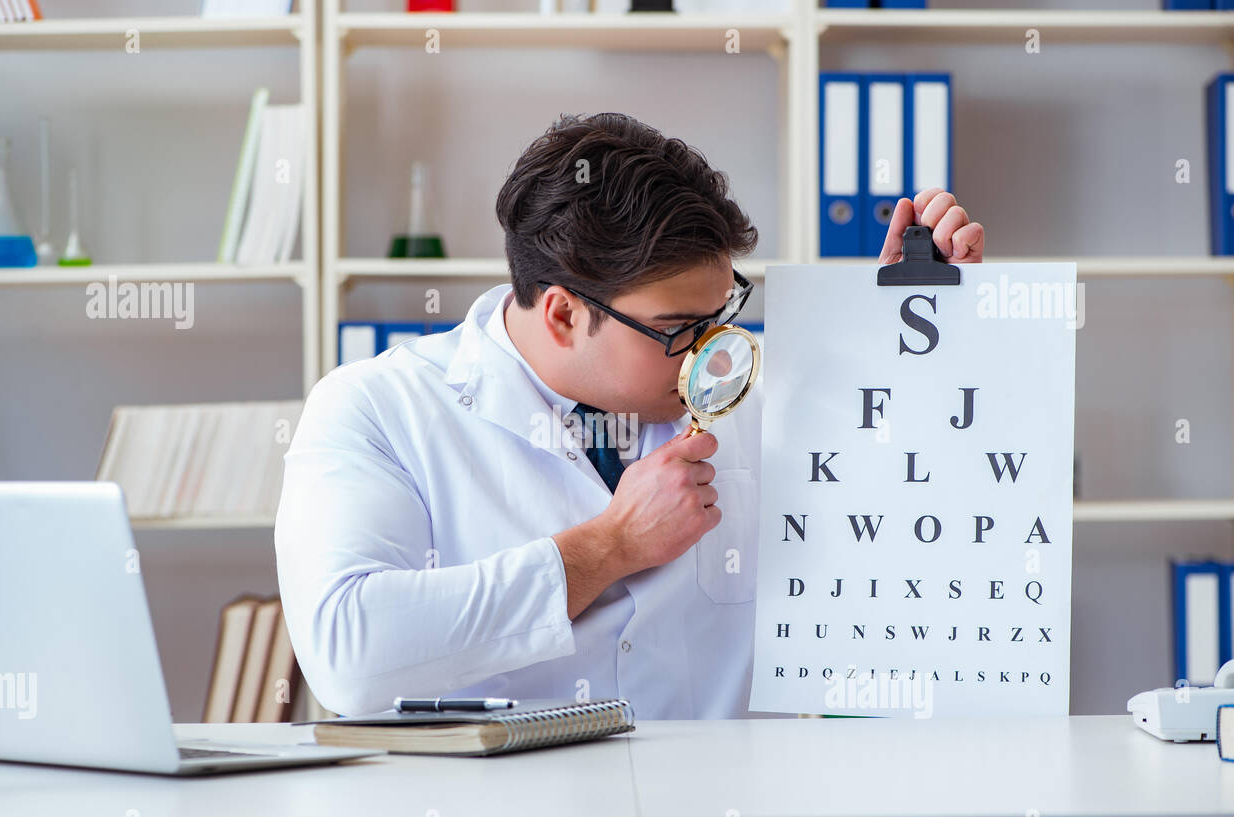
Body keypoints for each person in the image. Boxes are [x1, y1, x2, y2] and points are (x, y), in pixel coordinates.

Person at [274, 112, 984, 719]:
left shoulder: (746, 395)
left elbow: (910, 499)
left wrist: (915, 327)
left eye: (722, 315)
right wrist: (607, 547)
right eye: (679, 327)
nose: (713, 355)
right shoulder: (374, 409)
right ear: (562, 313)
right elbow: (349, 655)